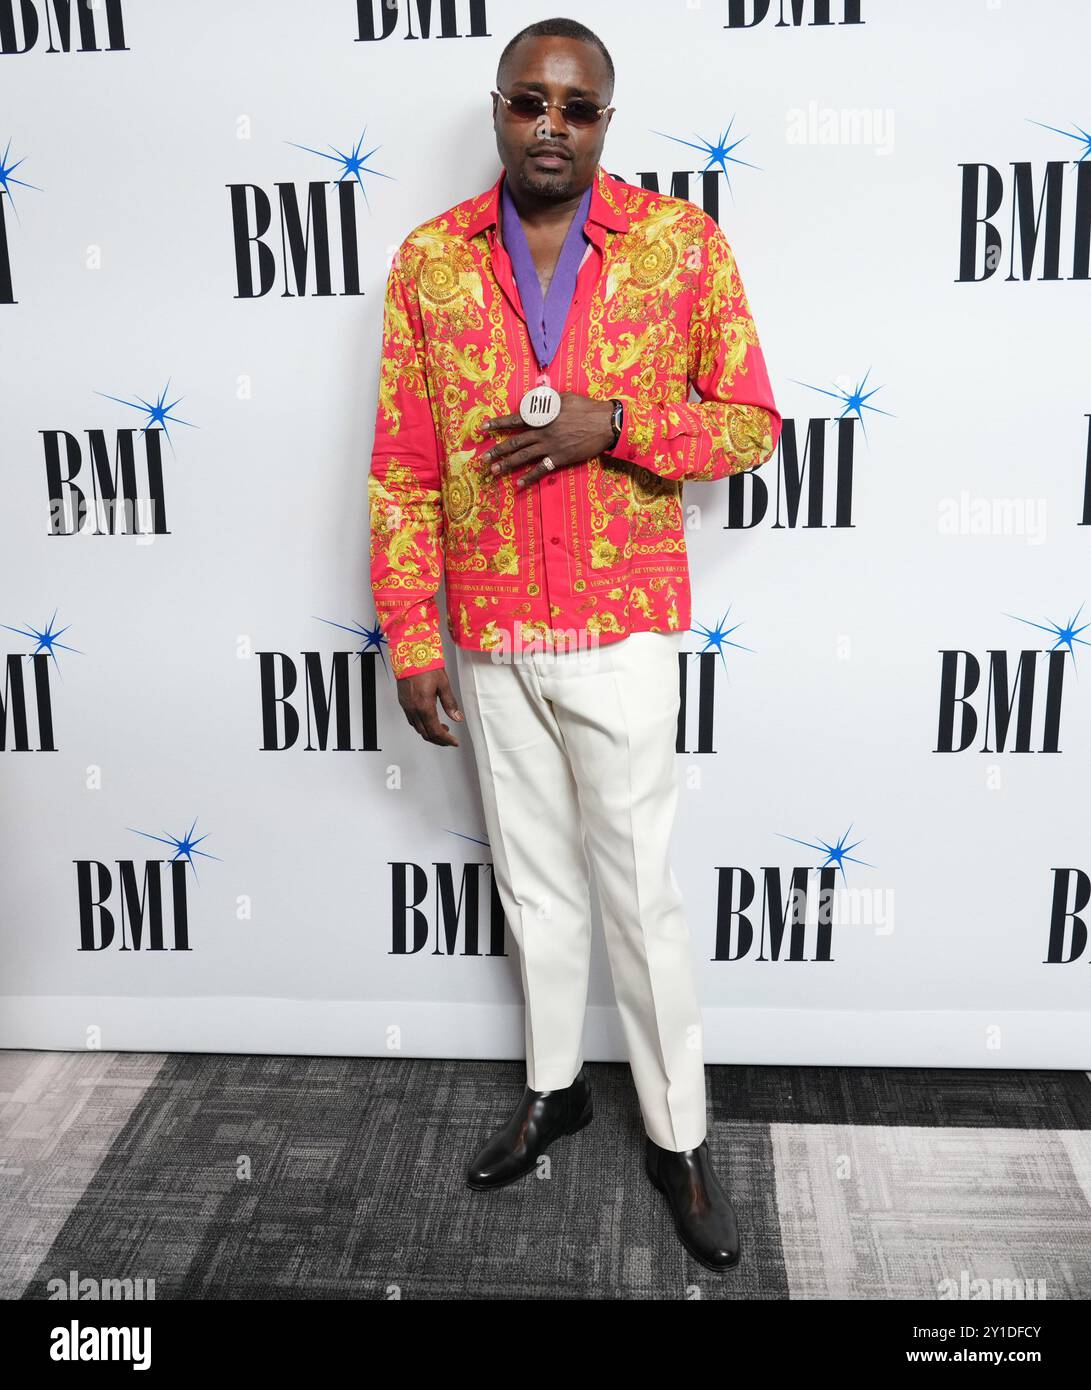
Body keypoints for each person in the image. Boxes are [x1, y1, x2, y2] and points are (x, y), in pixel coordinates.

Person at [368, 16, 781, 1273]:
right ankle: (556, 1090)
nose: (551, 125)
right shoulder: (429, 264)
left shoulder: (677, 246)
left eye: (577, 107)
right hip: (487, 629)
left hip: (615, 631)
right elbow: (400, 468)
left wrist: (615, 423)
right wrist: (409, 632)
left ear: (607, 119)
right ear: (496, 109)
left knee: (637, 898)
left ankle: (677, 1134)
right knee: (534, 887)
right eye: (528, 102)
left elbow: (753, 427)